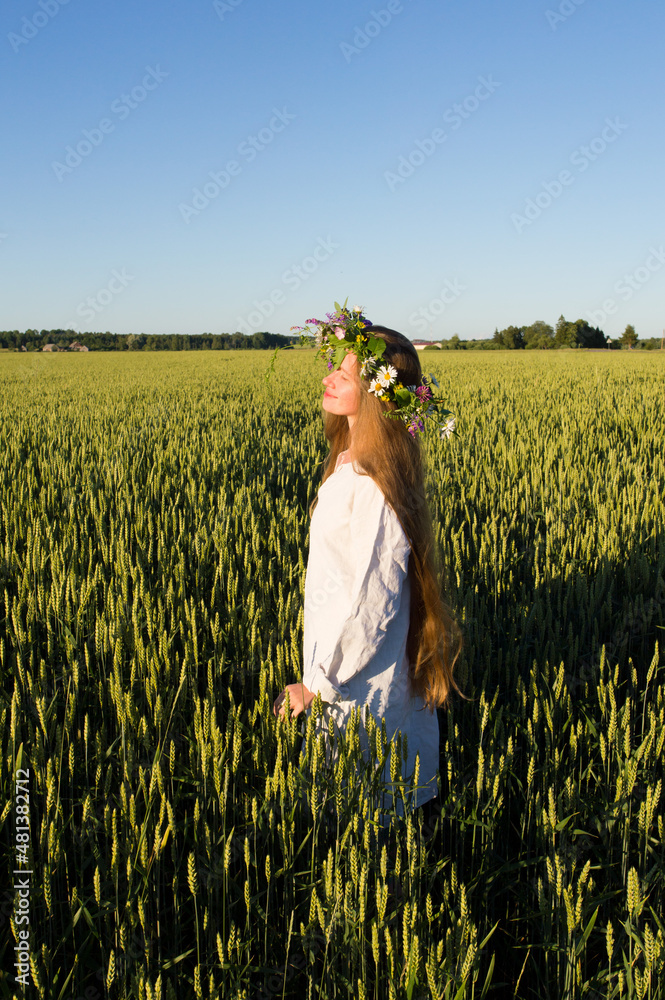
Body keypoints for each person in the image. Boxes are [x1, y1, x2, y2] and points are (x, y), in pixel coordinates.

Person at [272, 306, 462, 826]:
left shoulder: (371, 482)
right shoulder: (351, 460)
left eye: (347, 374)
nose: (330, 377)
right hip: (348, 674)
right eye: (335, 365)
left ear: (376, 394)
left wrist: (320, 685)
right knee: (368, 805)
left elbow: (371, 604)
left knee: (368, 816)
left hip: (355, 682)